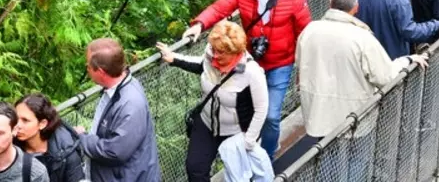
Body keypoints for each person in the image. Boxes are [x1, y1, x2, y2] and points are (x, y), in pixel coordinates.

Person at [182, 0, 309, 157]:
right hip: (249, 62)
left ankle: (267, 156)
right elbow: (221, 7)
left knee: (270, 116)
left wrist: (303, 68)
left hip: (280, 63)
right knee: (248, 113)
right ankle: (248, 152)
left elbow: (305, 33)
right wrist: (200, 24)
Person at [294, 0, 425, 178]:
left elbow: (300, 63)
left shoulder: (310, 31)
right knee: (356, 158)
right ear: (356, 9)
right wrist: (407, 60)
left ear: (331, 4)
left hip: (319, 111)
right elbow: (385, 76)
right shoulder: (362, 38)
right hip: (355, 114)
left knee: (326, 156)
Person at [157, 22, 269, 182]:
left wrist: (249, 142)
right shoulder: (211, 56)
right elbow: (200, 64)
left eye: (221, 52)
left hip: (237, 132)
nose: (215, 56)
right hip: (207, 123)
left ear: (235, 51)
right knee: (195, 169)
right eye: (214, 49)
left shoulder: (252, 72)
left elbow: (261, 109)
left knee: (241, 176)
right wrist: (173, 58)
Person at [77, 39, 159, 182]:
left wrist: (82, 138)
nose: (87, 69)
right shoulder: (118, 87)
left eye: (88, 65)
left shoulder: (130, 104)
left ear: (101, 71)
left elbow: (115, 152)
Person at [15, 94, 86, 182]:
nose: (17, 126)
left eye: (25, 120)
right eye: (15, 119)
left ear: (42, 124)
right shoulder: (9, 145)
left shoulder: (66, 150)